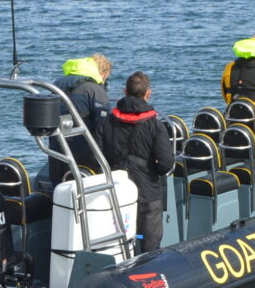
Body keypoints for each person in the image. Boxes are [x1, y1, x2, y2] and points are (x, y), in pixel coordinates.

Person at [96, 71, 175, 254]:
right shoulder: (155, 124)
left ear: (125, 91)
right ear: (148, 93)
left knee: (116, 240)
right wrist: (152, 171)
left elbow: (97, 154)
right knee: (150, 244)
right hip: (147, 191)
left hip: (116, 190)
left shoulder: (108, 121)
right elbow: (166, 163)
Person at [49, 54, 113, 184]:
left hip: (57, 148)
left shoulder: (56, 84)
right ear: (103, 73)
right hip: (85, 153)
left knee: (58, 192)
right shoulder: (95, 90)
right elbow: (104, 126)